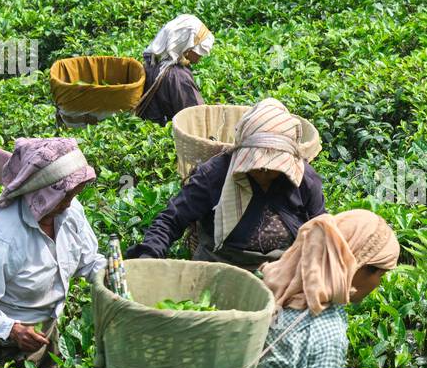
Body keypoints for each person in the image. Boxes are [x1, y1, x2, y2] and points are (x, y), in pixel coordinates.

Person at [243, 210, 400, 368]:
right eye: (379, 275)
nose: (378, 284)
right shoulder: (325, 332)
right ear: (358, 267)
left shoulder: (277, 286)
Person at [0, 138, 105, 366]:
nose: (69, 203)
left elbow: (90, 262)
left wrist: (117, 278)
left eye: (74, 195)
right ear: (42, 190)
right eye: (65, 195)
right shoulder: (4, 234)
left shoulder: (70, 211)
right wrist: (13, 331)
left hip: (43, 335)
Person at [126, 98, 325, 269]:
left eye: (272, 168)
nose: (264, 174)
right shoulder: (215, 174)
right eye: (257, 165)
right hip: (221, 266)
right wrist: (148, 256)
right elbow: (172, 219)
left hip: (283, 270)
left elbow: (321, 228)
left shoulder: (304, 179)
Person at [135, 14, 213, 125]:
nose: (202, 55)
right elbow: (197, 118)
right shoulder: (178, 76)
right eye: (198, 46)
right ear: (187, 44)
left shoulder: (151, 62)